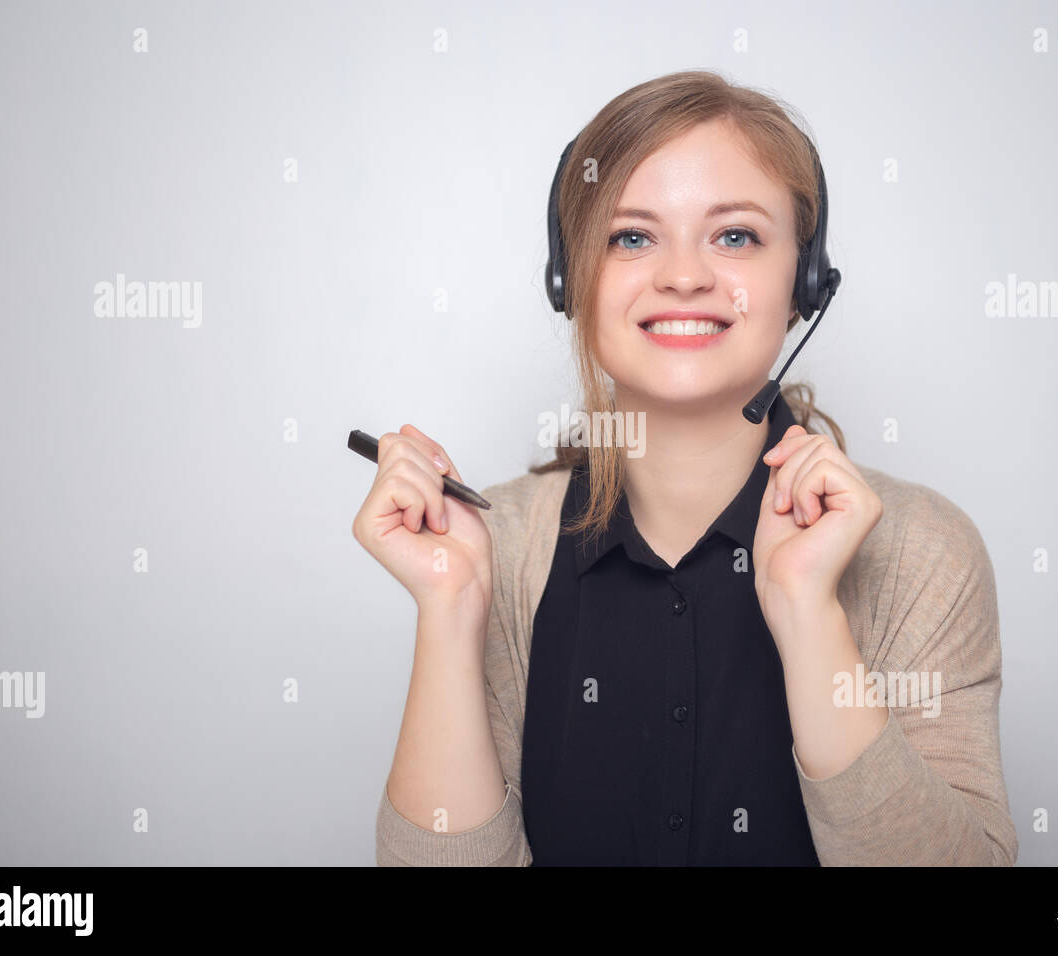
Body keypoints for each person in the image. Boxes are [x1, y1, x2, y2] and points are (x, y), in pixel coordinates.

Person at [354, 69, 1018, 866]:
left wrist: (812, 619)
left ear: (805, 282)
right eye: (632, 236)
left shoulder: (922, 552)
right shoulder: (496, 547)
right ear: (571, 280)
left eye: (735, 235)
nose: (684, 276)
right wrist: (452, 605)